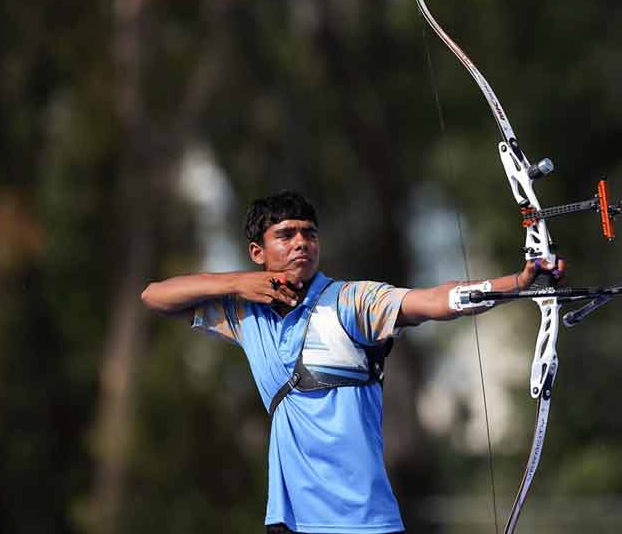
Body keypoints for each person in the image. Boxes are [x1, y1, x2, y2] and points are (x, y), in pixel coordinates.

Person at [140, 190, 565, 534]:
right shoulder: (245, 314)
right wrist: (238, 283)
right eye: (286, 235)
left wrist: (516, 283)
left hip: (363, 520)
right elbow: (154, 296)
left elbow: (434, 300)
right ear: (258, 251)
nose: (302, 242)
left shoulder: (351, 301)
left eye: (309, 233)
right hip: (289, 520)